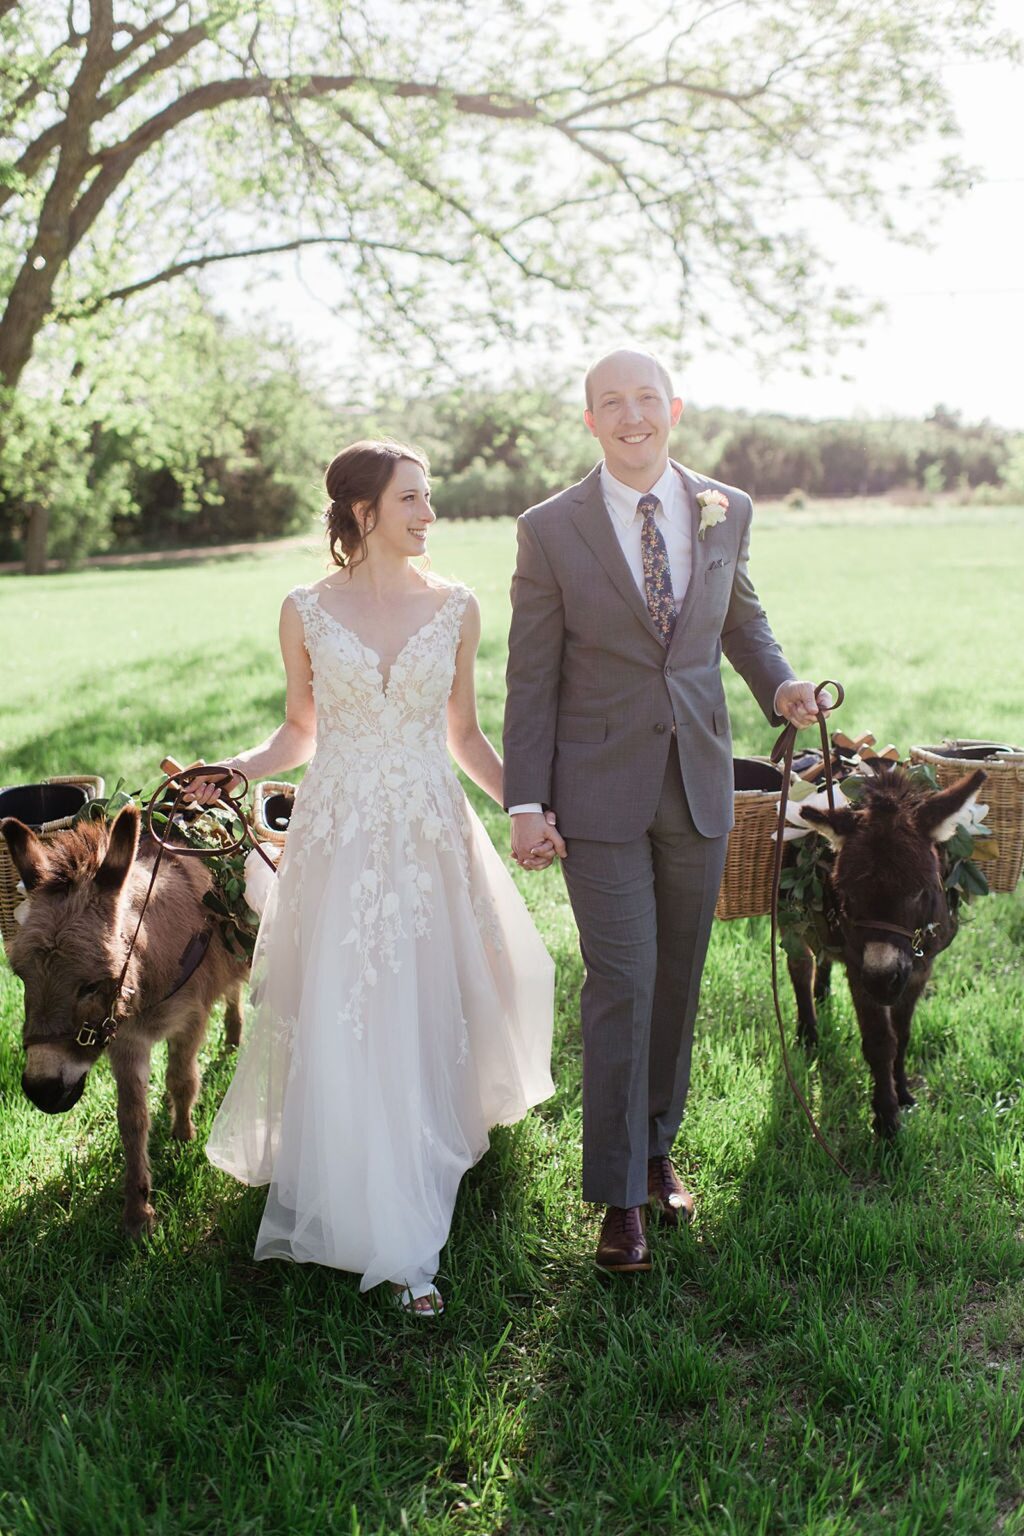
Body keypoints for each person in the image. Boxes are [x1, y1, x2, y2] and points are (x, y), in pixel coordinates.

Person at [194, 439, 555, 1316]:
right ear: (364, 513)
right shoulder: (305, 611)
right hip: (342, 831)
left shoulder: (458, 607)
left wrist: (530, 807)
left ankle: (430, 1144)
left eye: (428, 500)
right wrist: (234, 771)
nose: (430, 514)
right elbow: (298, 732)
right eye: (414, 500)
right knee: (353, 996)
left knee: (426, 993)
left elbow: (465, 737)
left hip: (429, 826)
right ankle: (378, 1214)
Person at [503, 349, 829, 1274]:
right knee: (625, 981)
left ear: (673, 408)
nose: (632, 415)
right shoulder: (549, 528)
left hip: (699, 781)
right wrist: (527, 801)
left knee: (677, 980)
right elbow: (531, 675)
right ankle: (616, 1201)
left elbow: (741, 621)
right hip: (595, 793)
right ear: (590, 421)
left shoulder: (727, 507)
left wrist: (783, 686)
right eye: (613, 403)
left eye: (647, 399)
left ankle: (654, 1154)